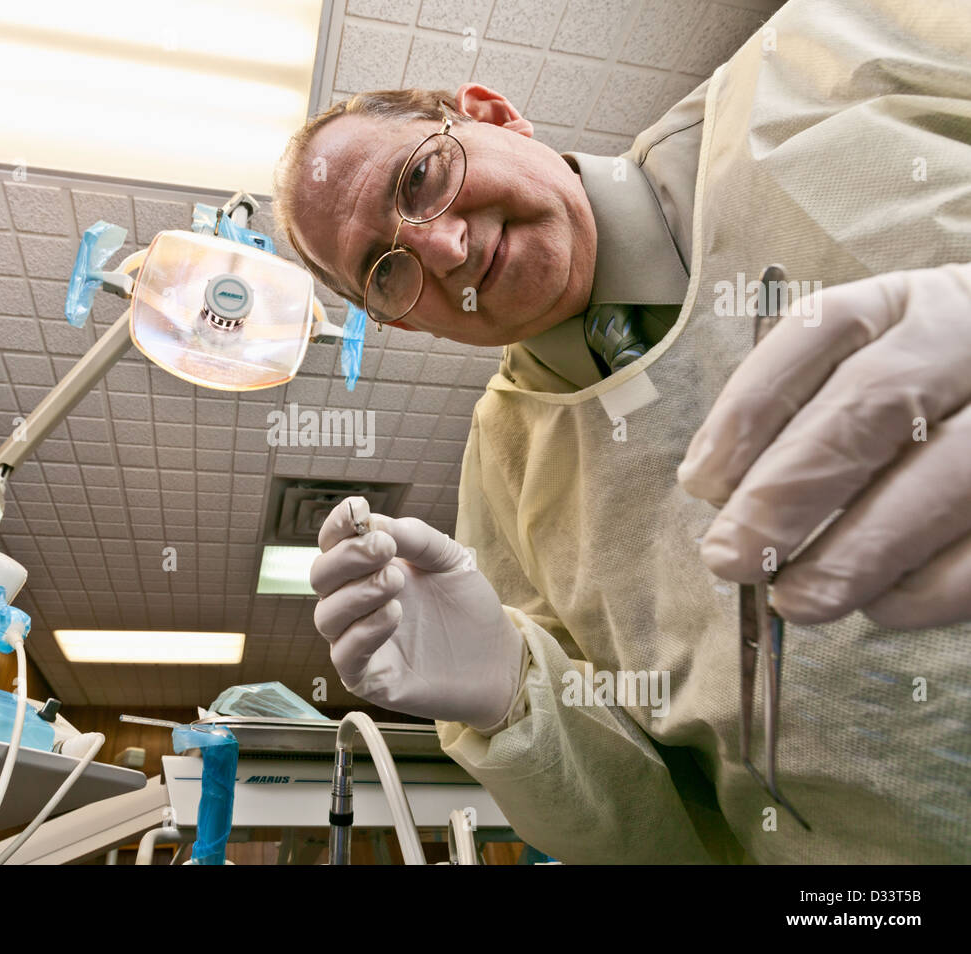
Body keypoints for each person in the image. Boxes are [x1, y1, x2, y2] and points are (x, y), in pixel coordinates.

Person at [274, 0, 971, 863]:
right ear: (405, 322)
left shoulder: (839, 46)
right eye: (389, 270)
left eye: (419, 179)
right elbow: (669, 830)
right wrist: (513, 702)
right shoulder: (505, 477)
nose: (445, 248)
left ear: (493, 116)